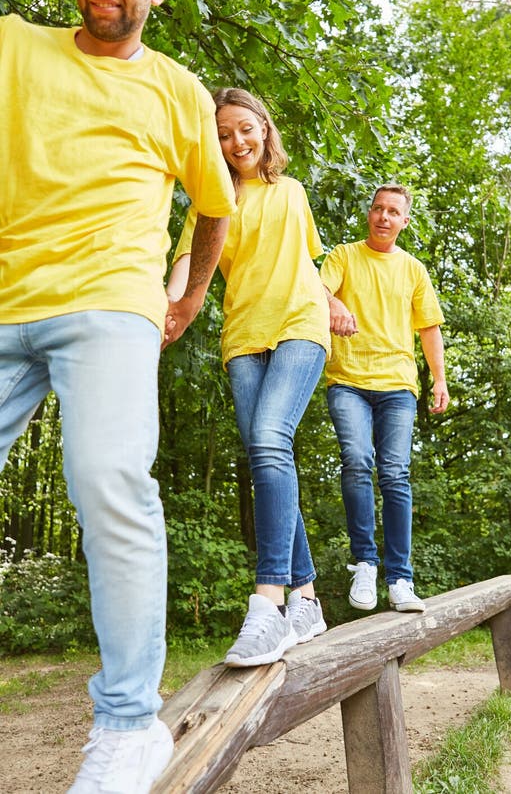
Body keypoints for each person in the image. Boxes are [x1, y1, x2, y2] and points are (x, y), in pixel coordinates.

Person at [0, 0, 236, 791]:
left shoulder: (177, 89)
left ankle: (131, 724)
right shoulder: (14, 46)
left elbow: (215, 206)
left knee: (106, 478)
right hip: (4, 300)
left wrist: (187, 296)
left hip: (109, 302)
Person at [167, 87, 329, 667]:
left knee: (268, 442)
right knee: (268, 458)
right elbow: (187, 261)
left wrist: (332, 303)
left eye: (245, 128)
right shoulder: (211, 204)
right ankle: (307, 597)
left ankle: (269, 606)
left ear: (264, 127)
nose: (237, 141)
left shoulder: (292, 191)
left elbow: (306, 264)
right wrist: (171, 306)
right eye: (224, 134)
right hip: (242, 336)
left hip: (300, 326)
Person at [319, 183, 449, 614]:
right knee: (357, 461)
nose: (384, 217)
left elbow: (429, 327)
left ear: (404, 221)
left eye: (393, 211)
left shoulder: (413, 269)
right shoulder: (343, 256)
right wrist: (333, 303)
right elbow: (317, 290)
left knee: (394, 474)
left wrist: (439, 381)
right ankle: (365, 564)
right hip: (348, 380)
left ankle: (400, 578)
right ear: (369, 214)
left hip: (397, 385)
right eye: (378, 209)